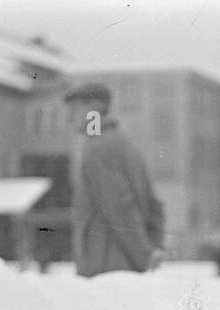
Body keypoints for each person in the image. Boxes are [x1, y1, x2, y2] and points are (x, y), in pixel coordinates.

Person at [64, 82, 165, 278]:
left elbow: (119, 208)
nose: (69, 118)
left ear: (94, 108)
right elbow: (155, 206)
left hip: (106, 269)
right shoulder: (124, 144)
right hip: (122, 267)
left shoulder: (98, 149)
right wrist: (153, 249)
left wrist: (144, 257)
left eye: (74, 109)